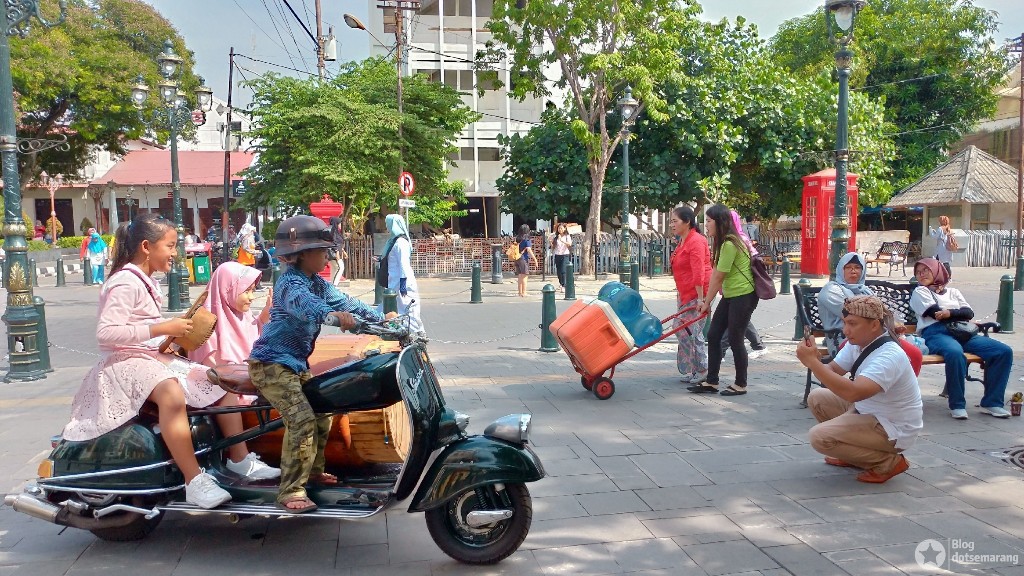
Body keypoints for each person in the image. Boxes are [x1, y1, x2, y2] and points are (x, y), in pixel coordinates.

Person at [62, 214, 279, 511]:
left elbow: (140, 325)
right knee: (171, 393)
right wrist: (163, 328)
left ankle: (239, 459)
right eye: (170, 245)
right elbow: (106, 333)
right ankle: (194, 480)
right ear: (146, 247)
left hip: (149, 356)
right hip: (124, 362)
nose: (175, 253)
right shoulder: (124, 282)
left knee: (219, 380)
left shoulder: (145, 280)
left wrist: (173, 333)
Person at [248, 215, 387, 513]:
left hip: (295, 365)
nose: (328, 255)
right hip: (271, 364)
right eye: (322, 250)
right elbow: (308, 306)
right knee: (301, 419)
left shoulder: (317, 283)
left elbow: (347, 302)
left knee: (323, 412)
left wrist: (382, 319)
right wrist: (332, 317)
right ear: (301, 254)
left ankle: (312, 472)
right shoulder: (289, 284)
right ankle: (291, 490)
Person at [795, 295, 922, 483]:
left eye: (853, 324)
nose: (845, 330)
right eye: (845, 322)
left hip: (893, 429)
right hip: (867, 411)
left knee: (819, 437)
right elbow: (833, 370)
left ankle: (888, 462)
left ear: (874, 325)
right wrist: (815, 359)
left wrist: (813, 363)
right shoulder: (858, 342)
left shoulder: (889, 356)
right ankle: (853, 455)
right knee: (817, 397)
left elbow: (854, 393)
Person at [910, 258, 1012, 419]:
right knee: (955, 352)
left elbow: (969, 313)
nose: (921, 275)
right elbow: (935, 313)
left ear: (937, 271)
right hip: (936, 333)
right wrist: (956, 313)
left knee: (1003, 351)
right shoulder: (920, 292)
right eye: (918, 272)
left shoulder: (953, 292)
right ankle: (957, 404)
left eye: (925, 270)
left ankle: (992, 402)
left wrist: (949, 313)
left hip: (963, 333)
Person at [694, 204, 759, 396]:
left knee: (735, 338)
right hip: (731, 295)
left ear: (719, 222)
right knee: (714, 334)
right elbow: (716, 273)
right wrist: (706, 301)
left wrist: (706, 302)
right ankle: (712, 381)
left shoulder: (730, 244)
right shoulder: (723, 243)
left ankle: (741, 384)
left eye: (708, 221)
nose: (706, 225)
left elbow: (718, 277)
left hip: (744, 295)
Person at [192, 261, 271, 370]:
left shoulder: (244, 316)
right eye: (246, 291)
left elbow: (254, 332)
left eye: (252, 291)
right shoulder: (206, 329)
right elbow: (214, 371)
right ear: (227, 290)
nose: (251, 297)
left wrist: (265, 315)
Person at [669, 206, 711, 384]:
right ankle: (693, 368)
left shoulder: (696, 241)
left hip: (698, 292)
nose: (672, 225)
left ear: (687, 222)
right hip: (685, 292)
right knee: (685, 329)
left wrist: (701, 299)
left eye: (675, 221)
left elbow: (698, 271)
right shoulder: (683, 240)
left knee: (687, 329)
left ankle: (702, 368)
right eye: (671, 221)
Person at [818, 252, 874, 355]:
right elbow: (853, 313)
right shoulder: (831, 290)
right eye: (848, 267)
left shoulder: (865, 291)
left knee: (900, 344)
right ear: (841, 270)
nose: (853, 271)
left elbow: (880, 311)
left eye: (857, 267)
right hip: (842, 339)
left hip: (870, 336)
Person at [381, 214, 424, 334]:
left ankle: (419, 334)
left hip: (402, 283)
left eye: (388, 224)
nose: (386, 226)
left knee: (408, 309)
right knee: (391, 310)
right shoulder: (393, 242)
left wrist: (403, 285)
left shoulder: (400, 243)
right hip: (394, 283)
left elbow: (403, 265)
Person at [515, 224, 539, 298]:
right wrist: (535, 259)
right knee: (525, 275)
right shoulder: (527, 239)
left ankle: (520, 292)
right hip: (523, 258)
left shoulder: (517, 238)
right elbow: (529, 250)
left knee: (520, 275)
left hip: (517, 258)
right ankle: (524, 292)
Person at [551, 223, 572, 292]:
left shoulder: (567, 236)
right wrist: (551, 243)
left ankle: (564, 285)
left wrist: (562, 240)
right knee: (559, 271)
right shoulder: (556, 237)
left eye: (561, 228)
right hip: (557, 254)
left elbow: (569, 244)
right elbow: (553, 247)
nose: (560, 229)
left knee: (563, 270)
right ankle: (561, 283)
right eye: (559, 228)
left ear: (564, 229)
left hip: (565, 254)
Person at [329, 216, 348, 285]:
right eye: (339, 223)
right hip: (334, 253)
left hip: (337, 253)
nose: (340, 225)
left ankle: (332, 285)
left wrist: (343, 251)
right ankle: (334, 285)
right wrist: (337, 252)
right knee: (340, 267)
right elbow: (333, 243)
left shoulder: (336, 232)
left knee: (334, 269)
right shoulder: (333, 232)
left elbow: (339, 243)